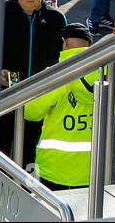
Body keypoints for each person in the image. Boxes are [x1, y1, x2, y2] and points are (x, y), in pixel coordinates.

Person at [22, 23, 98, 190]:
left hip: (54, 167)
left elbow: (31, 112)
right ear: (89, 46)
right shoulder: (106, 71)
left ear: (64, 42)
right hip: (92, 168)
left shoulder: (55, 75)